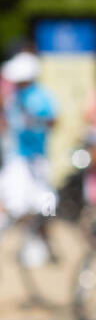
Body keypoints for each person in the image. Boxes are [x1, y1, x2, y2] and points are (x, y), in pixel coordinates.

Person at [0, 51, 59, 231]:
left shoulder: (39, 97)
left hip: (33, 158)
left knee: (40, 203)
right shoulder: (15, 97)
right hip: (16, 156)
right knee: (14, 202)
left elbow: (51, 121)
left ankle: (38, 239)